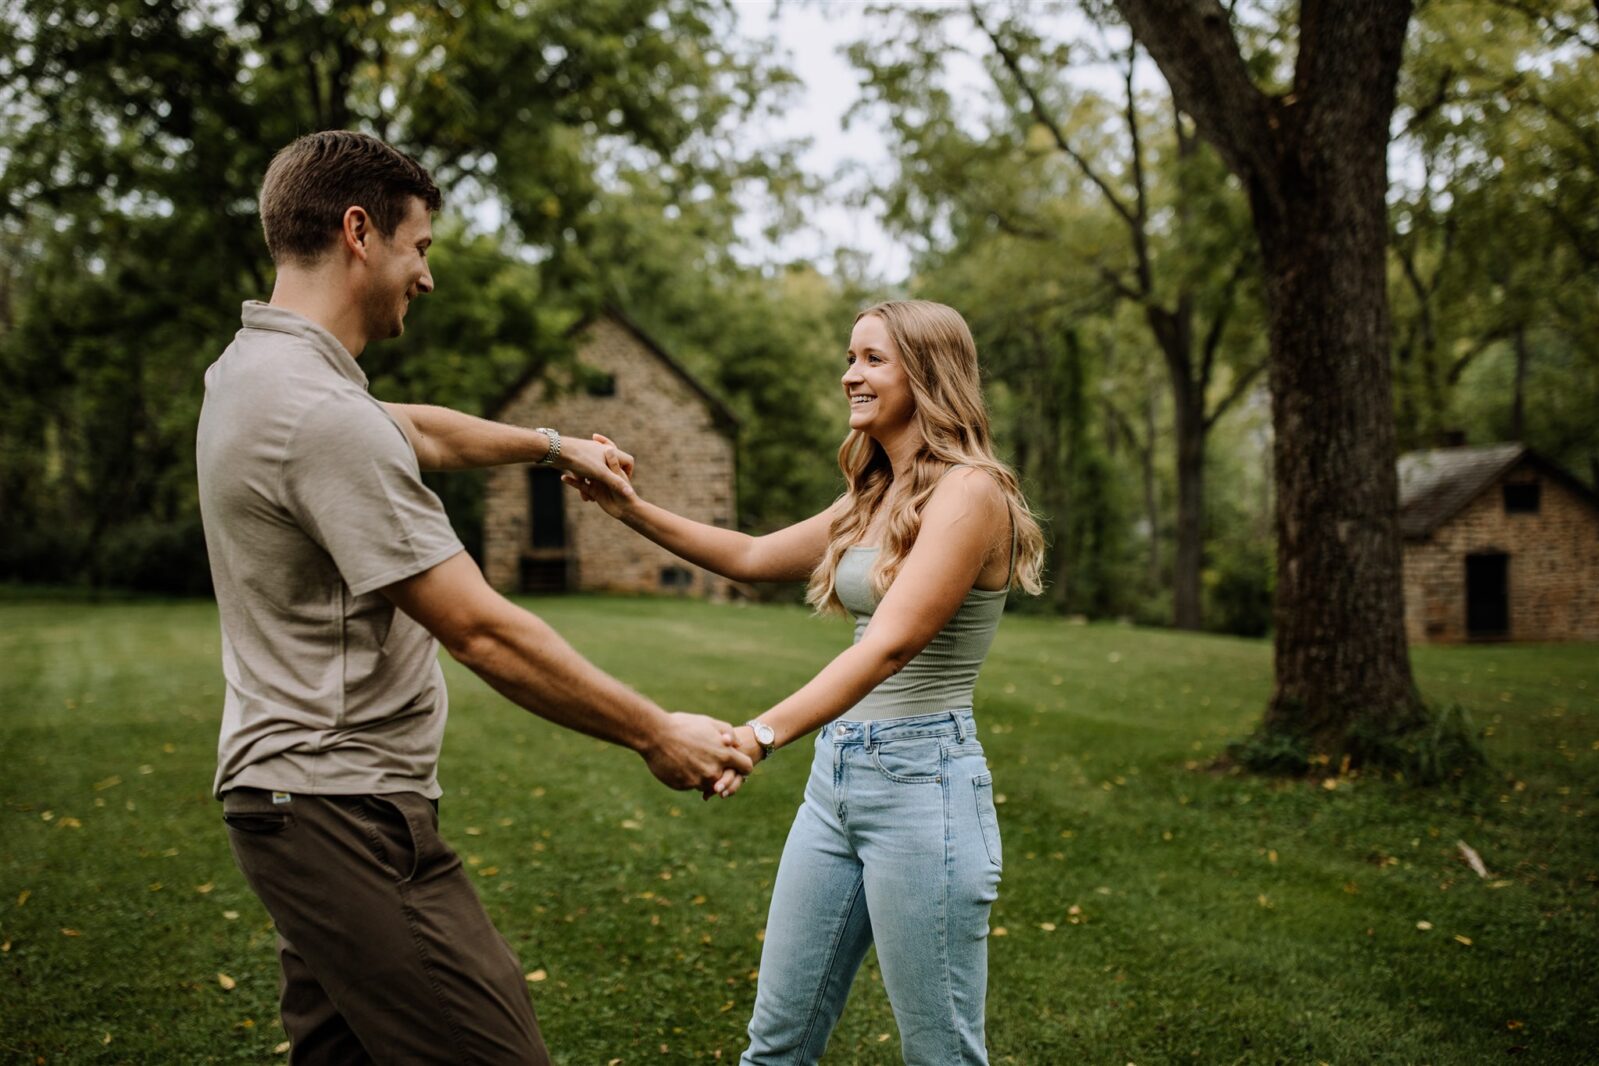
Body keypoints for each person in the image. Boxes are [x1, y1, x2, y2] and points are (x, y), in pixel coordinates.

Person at [196, 130, 752, 1065]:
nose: (427, 278)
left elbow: (412, 429)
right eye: (421, 249)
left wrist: (551, 444)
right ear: (360, 232)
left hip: (294, 800)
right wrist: (656, 732)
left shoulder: (257, 374)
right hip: (344, 810)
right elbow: (479, 628)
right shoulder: (321, 416)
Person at [565, 299, 1045, 1064]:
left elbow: (889, 646)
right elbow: (753, 557)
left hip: (927, 790)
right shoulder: (876, 493)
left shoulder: (971, 493)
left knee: (941, 1056)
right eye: (851, 358)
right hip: (840, 780)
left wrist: (759, 735)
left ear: (927, 372)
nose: (850, 374)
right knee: (775, 1049)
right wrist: (628, 510)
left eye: (872, 359)